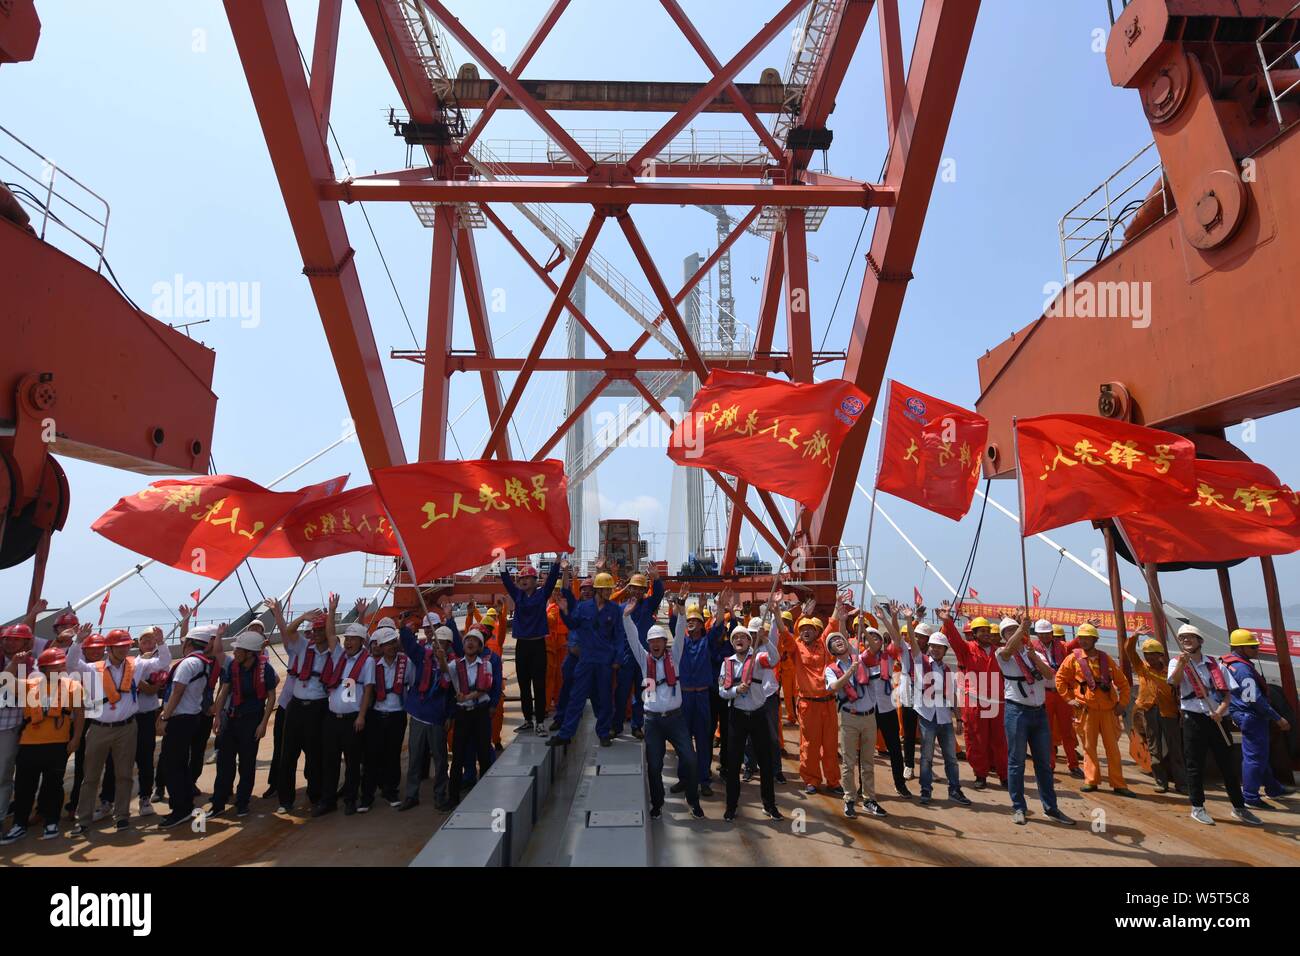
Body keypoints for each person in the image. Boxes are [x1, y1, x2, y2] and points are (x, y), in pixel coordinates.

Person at [67, 626, 174, 835]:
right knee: (90, 776)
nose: (124, 649)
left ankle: (122, 816)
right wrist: (77, 641)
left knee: (124, 775)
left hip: (127, 728)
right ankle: (84, 820)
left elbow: (163, 663)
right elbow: (71, 664)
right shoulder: (93, 668)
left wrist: (161, 642)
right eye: (120, 646)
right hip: (98, 728)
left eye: (126, 645)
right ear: (110, 648)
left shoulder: (138, 665)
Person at [1168, 624, 1260, 825]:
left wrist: (1220, 712)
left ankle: (1239, 807)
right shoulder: (1176, 662)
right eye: (1183, 638)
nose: (1186, 640)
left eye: (1190, 637)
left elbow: (1227, 694)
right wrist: (1182, 665)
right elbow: (1174, 683)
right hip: (1193, 719)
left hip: (1217, 719)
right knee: (1195, 765)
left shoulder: (1215, 664)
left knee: (1227, 765)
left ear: (1200, 641)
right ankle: (1197, 807)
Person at [621, 597, 703, 819]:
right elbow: (631, 639)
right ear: (649, 644)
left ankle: (693, 800)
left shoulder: (674, 656)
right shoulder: (643, 658)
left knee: (690, 759)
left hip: (675, 719)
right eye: (652, 641)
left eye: (660, 640)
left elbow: (680, 636)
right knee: (654, 766)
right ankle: (657, 804)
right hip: (653, 721)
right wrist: (626, 617)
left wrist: (682, 609)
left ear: (664, 643)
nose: (656, 644)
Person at [996, 614, 1076, 826]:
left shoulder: (1034, 652)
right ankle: (1019, 807)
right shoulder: (1001, 653)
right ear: (1004, 636)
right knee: (1016, 762)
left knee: (1043, 763)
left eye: (1017, 630)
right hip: (1017, 712)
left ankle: (1051, 808)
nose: (1014, 634)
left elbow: (1050, 675)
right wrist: (1022, 629)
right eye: (1009, 632)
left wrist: (1034, 658)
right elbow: (1007, 652)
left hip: (1039, 712)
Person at [0, 647, 85, 844]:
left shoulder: (73, 686)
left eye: (61, 666)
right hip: (29, 745)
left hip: (57, 745)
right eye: (55, 666)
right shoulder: (30, 685)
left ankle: (51, 821)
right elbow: (4, 681)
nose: (59, 669)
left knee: (53, 786)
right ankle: (19, 824)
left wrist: (76, 739)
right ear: (45, 668)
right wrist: (14, 663)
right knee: (24, 787)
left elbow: (79, 713)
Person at [893, 607, 971, 807]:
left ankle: (955, 790)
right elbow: (912, 641)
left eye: (940, 647)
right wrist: (910, 620)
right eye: (933, 646)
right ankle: (925, 790)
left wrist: (959, 718)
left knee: (951, 759)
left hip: (944, 718)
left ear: (945, 650)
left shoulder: (946, 669)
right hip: (927, 716)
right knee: (926, 757)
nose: (935, 649)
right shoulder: (920, 662)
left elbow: (953, 695)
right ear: (928, 648)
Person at [1053, 622, 1134, 797]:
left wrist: (1122, 704)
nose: (1083, 641)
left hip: (1108, 710)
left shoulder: (1106, 659)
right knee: (1089, 747)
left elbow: (1123, 683)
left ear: (1094, 639)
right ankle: (1091, 780)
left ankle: (1118, 783)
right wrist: (1069, 699)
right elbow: (1059, 680)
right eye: (1081, 638)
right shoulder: (1072, 659)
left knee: (1113, 748)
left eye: (1087, 638)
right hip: (1086, 710)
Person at [156, 624, 222, 829]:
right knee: (181, 763)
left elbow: (177, 692)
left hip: (180, 719)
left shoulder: (188, 664)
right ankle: (185, 803)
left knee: (171, 765)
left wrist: (165, 717)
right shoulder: (205, 663)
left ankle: (180, 809)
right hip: (192, 717)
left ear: (189, 643)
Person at [1221, 629, 1294, 810]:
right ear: (1241, 648)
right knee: (1254, 758)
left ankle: (1273, 788)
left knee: (1259, 754)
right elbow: (1255, 699)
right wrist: (1278, 718)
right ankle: (1250, 797)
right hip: (1252, 716)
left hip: (1240, 712)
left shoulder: (1229, 663)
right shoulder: (1244, 670)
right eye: (1253, 647)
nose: (1257, 650)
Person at [209, 630, 278, 818]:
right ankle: (218, 803)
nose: (236, 652)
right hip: (230, 719)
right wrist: (217, 716)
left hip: (251, 721)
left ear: (250, 653)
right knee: (224, 762)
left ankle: (242, 802)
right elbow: (224, 691)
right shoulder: (233, 667)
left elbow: (271, 697)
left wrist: (263, 724)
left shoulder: (266, 670)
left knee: (246, 764)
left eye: (239, 650)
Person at [939, 605, 1008, 790]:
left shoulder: (1000, 652)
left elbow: (1018, 643)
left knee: (1000, 740)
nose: (986, 634)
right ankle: (981, 774)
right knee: (976, 739)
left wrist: (1012, 623)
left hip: (998, 702)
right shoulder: (967, 649)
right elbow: (953, 638)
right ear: (974, 634)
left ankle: (1004, 775)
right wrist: (947, 620)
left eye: (988, 630)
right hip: (975, 702)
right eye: (982, 631)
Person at [273, 597, 332, 815]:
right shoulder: (302, 647)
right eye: (314, 631)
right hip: (296, 706)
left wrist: (331, 614)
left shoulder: (333, 653)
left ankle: (315, 795)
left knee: (315, 754)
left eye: (319, 631)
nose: (315, 635)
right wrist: (302, 617)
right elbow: (288, 632)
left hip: (318, 707)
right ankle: (285, 799)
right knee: (288, 754)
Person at [718, 624, 781, 822]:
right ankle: (731, 806)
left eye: (743, 638)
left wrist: (765, 640)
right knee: (734, 763)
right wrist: (736, 691)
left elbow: (775, 659)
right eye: (736, 638)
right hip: (737, 716)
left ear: (749, 641)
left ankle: (769, 805)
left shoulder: (758, 658)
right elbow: (722, 691)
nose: (739, 640)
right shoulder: (727, 663)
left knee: (766, 762)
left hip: (758, 715)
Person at [549, 572, 621, 747]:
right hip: (586, 659)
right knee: (576, 696)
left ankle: (603, 733)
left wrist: (617, 658)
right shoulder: (583, 608)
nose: (609, 592)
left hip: (604, 661)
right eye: (606, 589)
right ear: (598, 590)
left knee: (604, 698)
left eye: (610, 589)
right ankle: (566, 734)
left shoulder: (615, 610)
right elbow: (572, 625)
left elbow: (619, 636)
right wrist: (564, 610)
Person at [824, 626, 886, 819]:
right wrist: (849, 672)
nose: (839, 641)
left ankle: (869, 800)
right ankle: (849, 799)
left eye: (841, 638)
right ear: (832, 650)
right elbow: (833, 687)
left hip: (869, 716)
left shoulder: (860, 658)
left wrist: (863, 627)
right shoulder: (831, 669)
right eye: (834, 641)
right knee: (848, 762)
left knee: (867, 762)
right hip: (849, 716)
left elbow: (876, 646)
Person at [400, 616, 458, 812]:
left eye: (442, 643)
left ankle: (440, 795)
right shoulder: (422, 657)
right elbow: (409, 645)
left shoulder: (453, 666)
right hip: (418, 713)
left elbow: (452, 693)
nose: (437, 645)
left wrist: (450, 716)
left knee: (441, 759)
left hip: (437, 717)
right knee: (415, 757)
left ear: (449, 645)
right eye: (435, 642)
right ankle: (411, 795)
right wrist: (403, 627)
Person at [316, 617, 372, 817]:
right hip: (332, 718)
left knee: (352, 763)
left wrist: (362, 716)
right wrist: (331, 612)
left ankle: (350, 799)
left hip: (352, 719)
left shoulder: (368, 662)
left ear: (361, 642)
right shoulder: (339, 655)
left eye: (353, 639)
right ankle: (328, 800)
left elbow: (367, 690)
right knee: (329, 761)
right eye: (347, 638)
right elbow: (331, 636)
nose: (348, 642)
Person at [501, 558, 562, 734]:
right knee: (524, 684)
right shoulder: (517, 595)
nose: (523, 581)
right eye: (521, 579)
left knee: (539, 685)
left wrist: (558, 561)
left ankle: (540, 722)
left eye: (527, 578)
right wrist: (501, 562)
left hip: (537, 645)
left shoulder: (542, 594)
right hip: (522, 646)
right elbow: (505, 579)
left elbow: (551, 580)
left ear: (535, 581)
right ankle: (528, 720)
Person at [1121, 625, 1185, 793]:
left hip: (1169, 712)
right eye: (1146, 654)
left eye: (1152, 654)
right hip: (1149, 711)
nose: (1148, 657)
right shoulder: (1142, 668)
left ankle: (1181, 783)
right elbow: (1129, 650)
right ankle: (1160, 782)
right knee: (1154, 747)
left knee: (1175, 748)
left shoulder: (1169, 672)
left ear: (1160, 655)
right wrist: (1135, 635)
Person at [669, 592, 718, 798]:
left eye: (695, 621)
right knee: (684, 740)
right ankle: (684, 778)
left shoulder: (707, 642)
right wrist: (679, 605)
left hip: (702, 697)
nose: (690, 623)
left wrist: (722, 608)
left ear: (701, 624)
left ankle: (704, 780)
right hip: (686, 697)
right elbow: (675, 625)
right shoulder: (681, 643)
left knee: (703, 741)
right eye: (688, 621)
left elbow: (717, 630)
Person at [263, 601, 313, 803]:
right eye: (308, 633)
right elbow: (285, 632)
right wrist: (277, 614)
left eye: (315, 633)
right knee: (282, 751)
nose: (311, 636)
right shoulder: (296, 648)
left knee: (312, 751)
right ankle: (276, 785)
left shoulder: (326, 653)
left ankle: (313, 788)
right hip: (286, 707)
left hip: (311, 709)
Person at [791, 597, 841, 795]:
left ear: (816, 631)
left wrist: (837, 607)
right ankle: (811, 779)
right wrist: (803, 614)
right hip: (808, 705)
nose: (806, 631)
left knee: (830, 745)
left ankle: (833, 781)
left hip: (828, 704)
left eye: (810, 628)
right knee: (809, 745)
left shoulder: (824, 646)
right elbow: (786, 634)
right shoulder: (796, 647)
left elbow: (833, 624)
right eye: (802, 629)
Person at [856, 616, 911, 799]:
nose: (872, 641)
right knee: (865, 751)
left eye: (876, 637)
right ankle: (863, 786)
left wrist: (890, 618)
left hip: (887, 710)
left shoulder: (888, 656)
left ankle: (900, 784)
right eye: (868, 638)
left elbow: (897, 638)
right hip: (869, 711)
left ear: (882, 641)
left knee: (895, 749)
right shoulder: (861, 659)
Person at [447, 628, 500, 805]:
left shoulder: (486, 664)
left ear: (479, 646)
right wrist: (441, 658)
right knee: (457, 757)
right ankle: (453, 798)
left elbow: (483, 688)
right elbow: (445, 673)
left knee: (484, 754)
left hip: (480, 714)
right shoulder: (456, 664)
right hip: (463, 715)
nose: (470, 643)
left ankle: (485, 796)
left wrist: (467, 697)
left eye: (474, 641)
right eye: (467, 640)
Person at [362, 623, 409, 810]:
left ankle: (391, 790)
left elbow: (411, 682)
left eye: (393, 642)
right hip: (377, 714)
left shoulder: (406, 663)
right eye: (386, 644)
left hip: (397, 714)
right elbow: (367, 689)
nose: (390, 647)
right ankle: (367, 795)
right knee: (372, 755)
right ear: (380, 647)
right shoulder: (372, 664)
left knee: (393, 754)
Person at [612, 569, 663, 740]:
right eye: (634, 588)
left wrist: (656, 579)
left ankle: (637, 726)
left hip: (645, 658)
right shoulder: (620, 609)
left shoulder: (648, 605)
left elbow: (659, 594)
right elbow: (616, 635)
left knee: (644, 693)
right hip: (626, 657)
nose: (637, 591)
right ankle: (616, 725)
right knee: (621, 693)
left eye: (641, 589)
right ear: (629, 589)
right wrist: (617, 657)